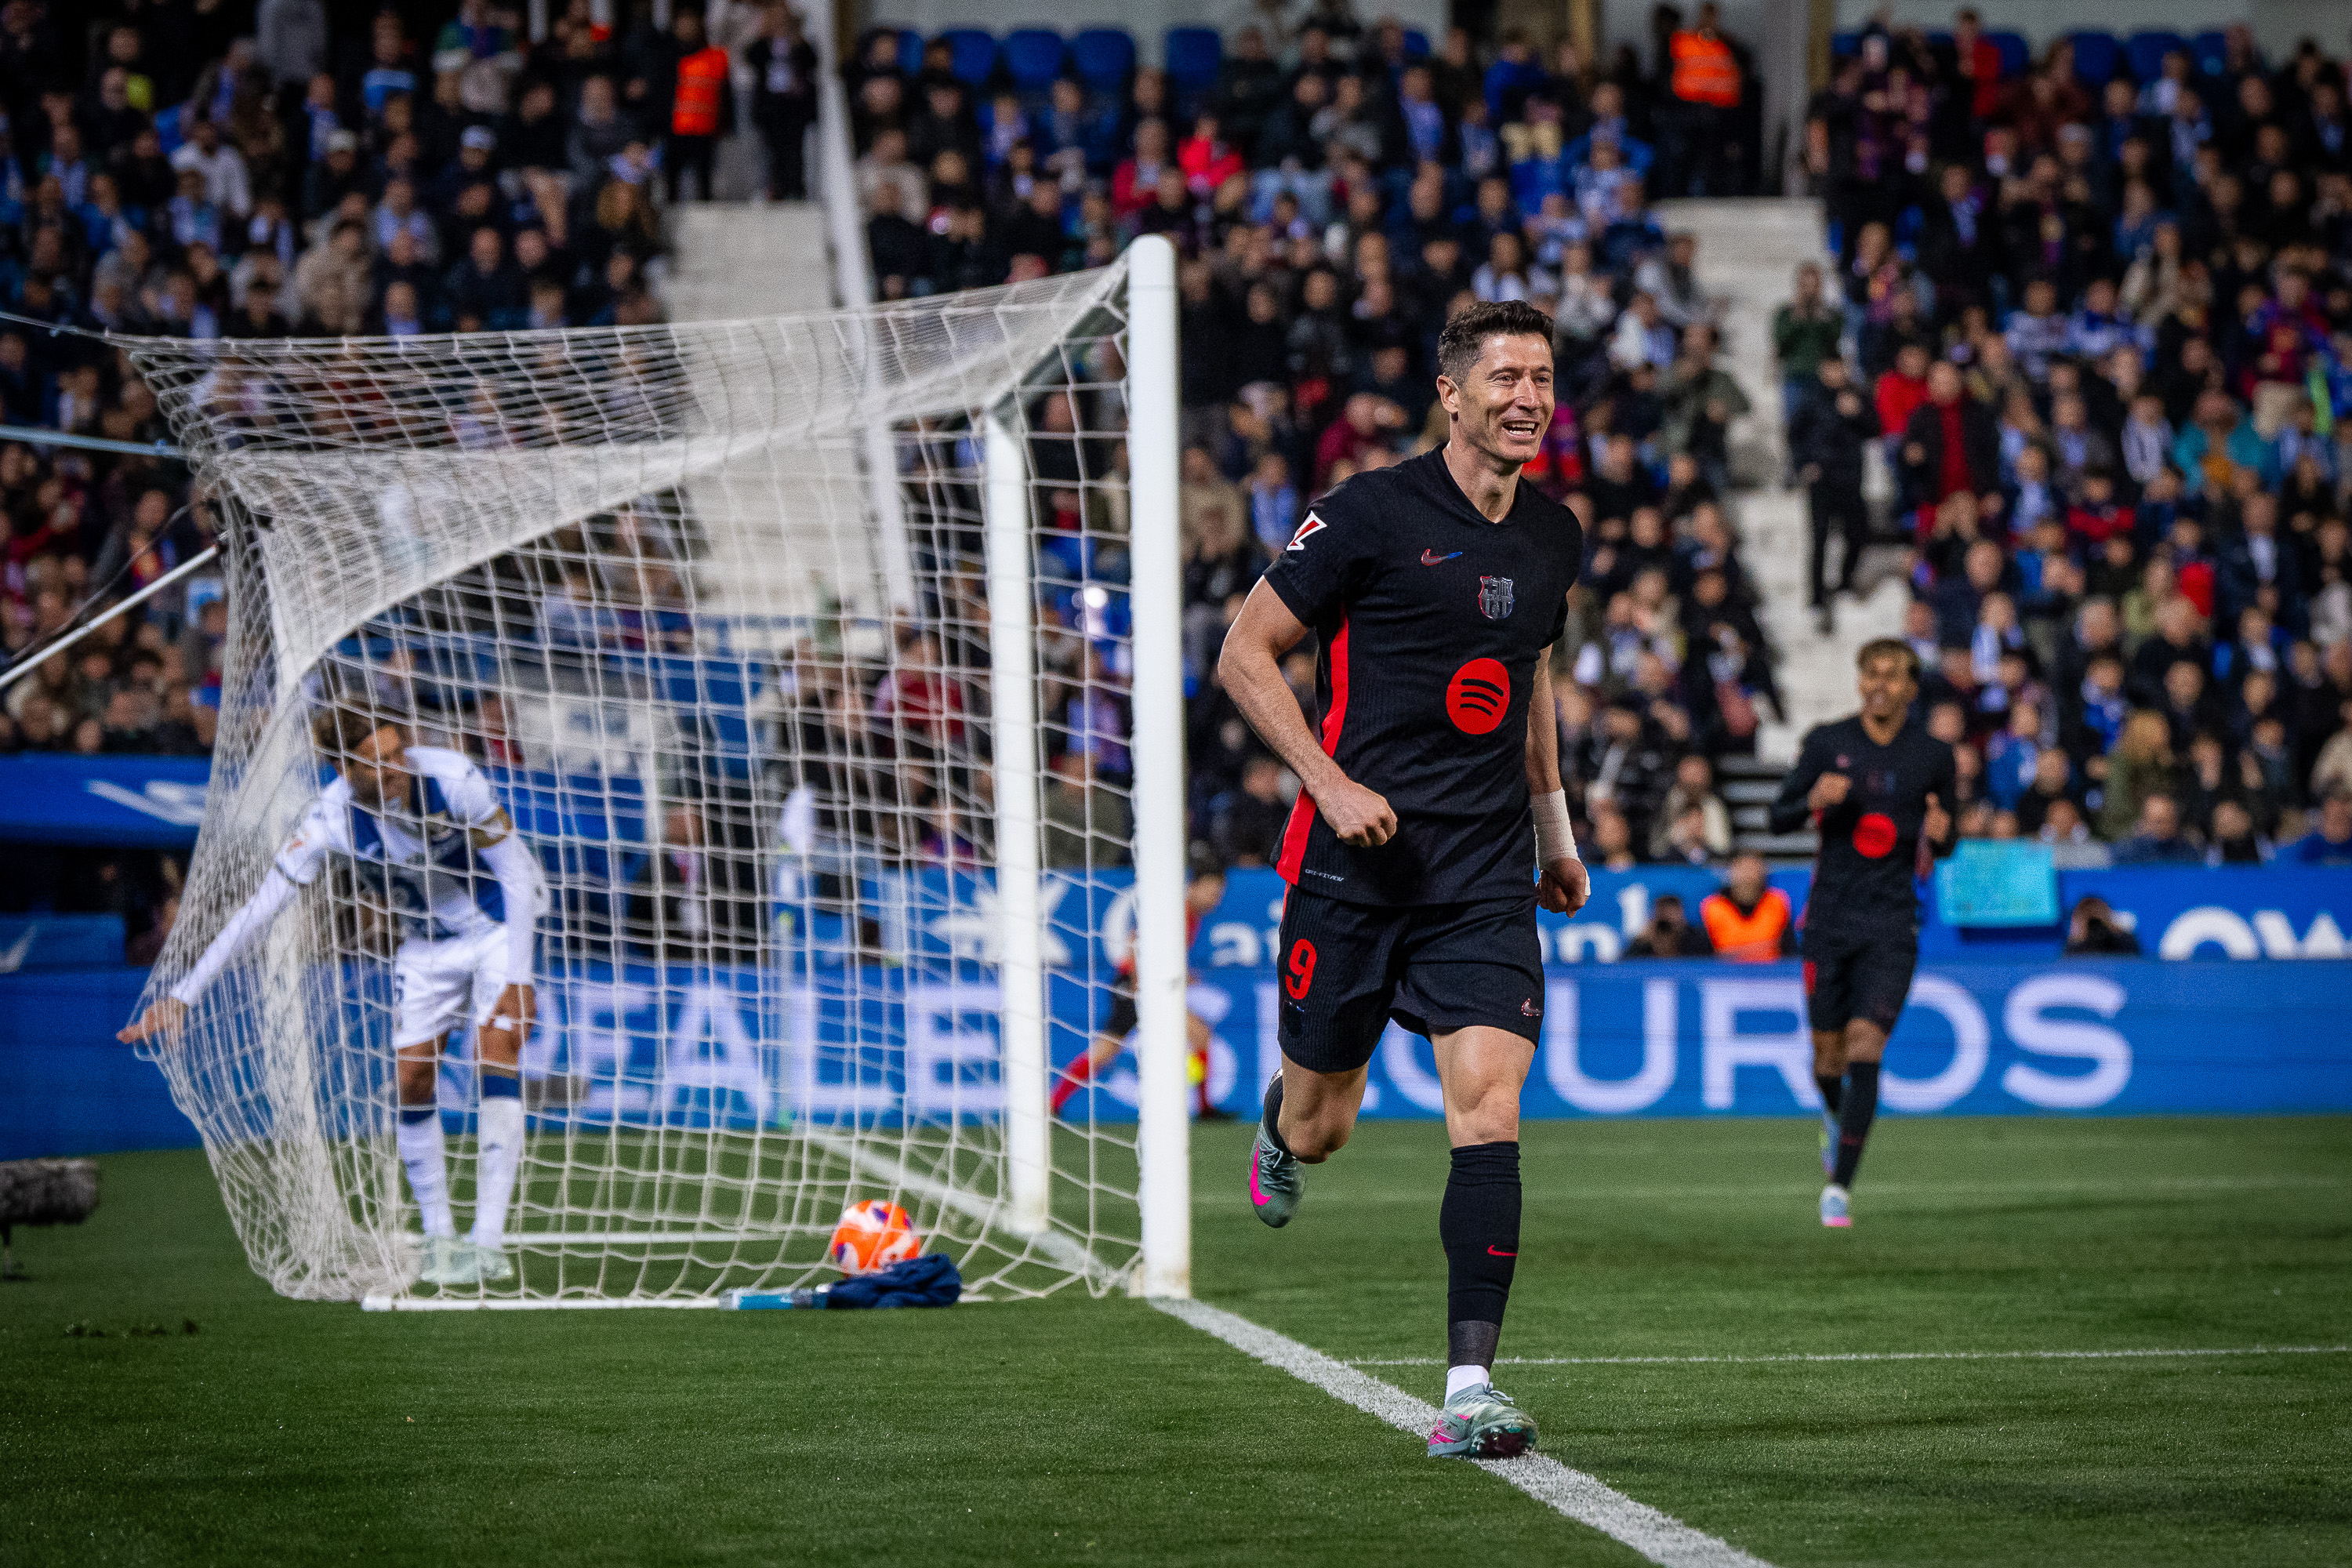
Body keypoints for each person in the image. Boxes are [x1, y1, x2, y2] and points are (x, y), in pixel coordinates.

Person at [1216, 299, 1588, 1459]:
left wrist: (1555, 830)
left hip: (1482, 875)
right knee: (1327, 1127)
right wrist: (1327, 785)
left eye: (1541, 377)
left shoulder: (1553, 534)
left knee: (1488, 1110)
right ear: (1452, 391)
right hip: (1357, 866)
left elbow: (1525, 682)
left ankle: (1469, 1385)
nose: (1527, 397)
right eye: (1506, 377)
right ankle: (1280, 1123)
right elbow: (1243, 653)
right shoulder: (1370, 513)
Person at [118, 707, 546, 1287]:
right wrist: (184, 995)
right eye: (381, 760)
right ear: (345, 769)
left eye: (400, 752)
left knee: (497, 1051)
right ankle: (442, 1237)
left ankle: (488, 1241)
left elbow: (517, 873)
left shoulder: (452, 779)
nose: (398, 767)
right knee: (412, 1079)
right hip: (425, 946)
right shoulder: (329, 822)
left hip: (495, 930)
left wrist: (518, 976)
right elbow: (258, 911)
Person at [1767, 641, 1956, 1229]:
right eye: (1870, 673)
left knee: (1865, 1047)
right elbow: (1779, 815)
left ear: (1910, 688)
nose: (1879, 684)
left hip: (1892, 924)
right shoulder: (1828, 743)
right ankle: (1834, 1115)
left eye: (1891, 675)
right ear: (1859, 681)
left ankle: (1839, 1190)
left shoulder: (1934, 755)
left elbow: (1947, 841)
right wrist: (1810, 798)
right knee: (1827, 1059)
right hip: (1828, 920)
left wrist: (1945, 833)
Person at [1049, 854, 1229, 1120]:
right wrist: (1139, 982)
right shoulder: (1178, 911)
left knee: (1195, 1036)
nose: (1216, 900)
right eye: (1213, 893)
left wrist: (1181, 974)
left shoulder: (1192, 915)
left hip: (1147, 986)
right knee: (1107, 1051)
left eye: (1219, 894)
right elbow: (1137, 939)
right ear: (1194, 886)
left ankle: (1203, 1107)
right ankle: (1052, 1104)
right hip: (1135, 987)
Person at [1698, 851, 1794, 961]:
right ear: (1731, 871)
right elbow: (1703, 953)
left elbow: (1789, 948)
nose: (1748, 875)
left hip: (1770, 972)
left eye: (1753, 868)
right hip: (1724, 973)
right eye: (1742, 868)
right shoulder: (1713, 905)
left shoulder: (1777, 902)